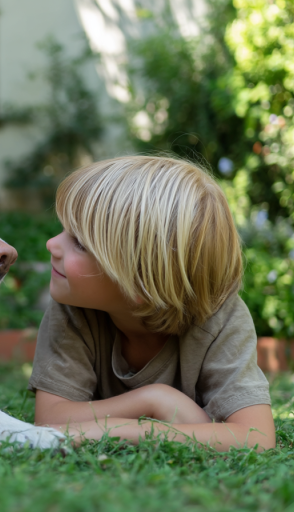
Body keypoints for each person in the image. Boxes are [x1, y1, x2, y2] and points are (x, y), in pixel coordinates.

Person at [28, 156, 275, 451]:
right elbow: (51, 421)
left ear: (141, 284)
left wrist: (115, 428)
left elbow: (256, 439)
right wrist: (155, 401)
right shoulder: (72, 311)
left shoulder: (221, 319)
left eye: (79, 242)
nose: (52, 244)